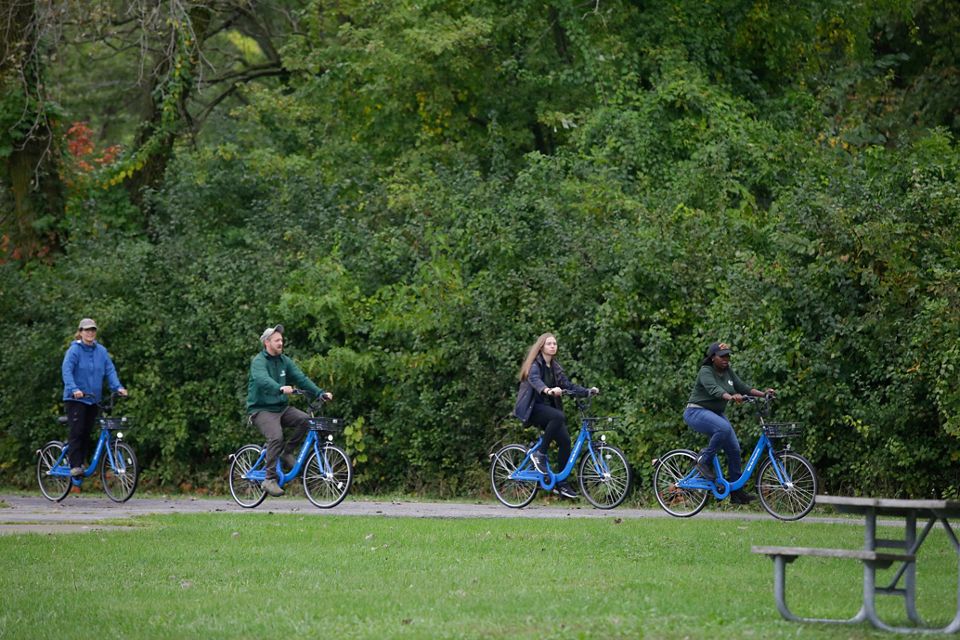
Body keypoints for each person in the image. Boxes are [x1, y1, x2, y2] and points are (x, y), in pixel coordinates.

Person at [683, 341, 775, 504]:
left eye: (727, 356)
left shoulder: (728, 371)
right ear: (713, 358)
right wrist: (730, 397)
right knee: (723, 428)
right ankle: (703, 462)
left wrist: (764, 394)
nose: (726, 359)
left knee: (734, 449)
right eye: (722, 356)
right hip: (696, 411)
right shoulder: (706, 371)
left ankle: (736, 493)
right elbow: (714, 390)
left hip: (715, 414)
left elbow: (744, 388)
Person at [247, 324, 332, 497]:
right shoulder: (259, 362)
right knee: (276, 437)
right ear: (267, 343)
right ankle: (269, 479)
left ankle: (286, 453)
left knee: (306, 420)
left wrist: (320, 393)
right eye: (277, 340)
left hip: (281, 408)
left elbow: (301, 378)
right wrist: (279, 388)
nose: (281, 343)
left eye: (281, 340)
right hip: (261, 409)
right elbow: (262, 380)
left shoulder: (284, 361)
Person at [513, 332, 598, 499]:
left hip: (547, 410)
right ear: (541, 347)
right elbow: (535, 380)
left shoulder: (554, 367)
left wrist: (587, 391)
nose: (553, 346)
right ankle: (540, 454)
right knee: (558, 416)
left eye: (555, 344)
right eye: (549, 343)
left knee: (565, 441)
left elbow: (567, 385)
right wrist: (548, 390)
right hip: (532, 409)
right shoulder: (535, 365)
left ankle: (562, 484)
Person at [61, 318, 128, 480]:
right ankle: (75, 465)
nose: (90, 333)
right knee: (78, 431)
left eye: (92, 330)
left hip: (93, 399)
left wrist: (118, 387)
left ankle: (81, 464)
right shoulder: (74, 350)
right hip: (76, 398)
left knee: (87, 432)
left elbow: (110, 370)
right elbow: (66, 370)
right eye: (87, 330)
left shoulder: (101, 351)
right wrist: (74, 389)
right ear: (80, 332)